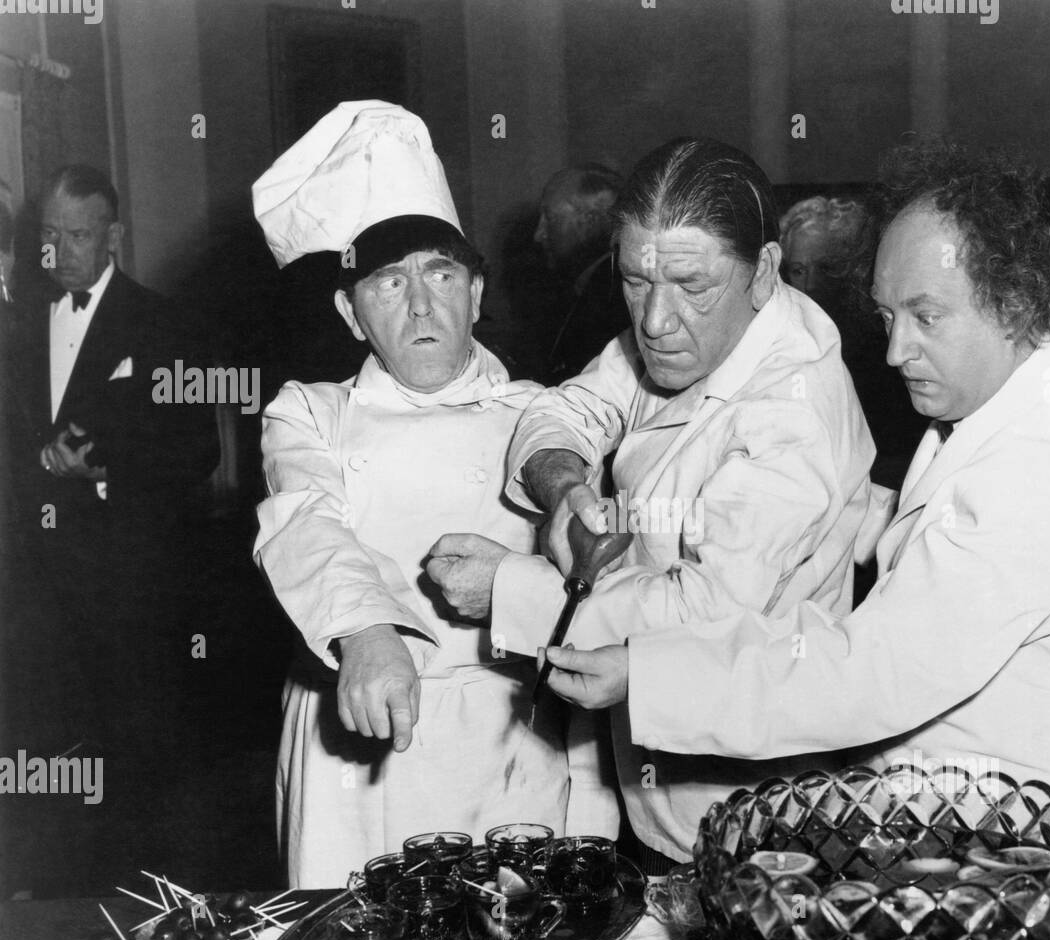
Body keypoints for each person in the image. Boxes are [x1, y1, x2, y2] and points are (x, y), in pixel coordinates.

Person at [542, 141, 1050, 830]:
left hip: (1033, 850)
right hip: (967, 825)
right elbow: (935, 541)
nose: (895, 352)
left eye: (926, 317)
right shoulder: (993, 416)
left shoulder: (1036, 476)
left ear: (1012, 305)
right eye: (888, 317)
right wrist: (848, 505)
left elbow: (868, 675)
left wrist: (650, 677)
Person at [426, 137, 880, 870]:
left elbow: (704, 611)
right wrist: (563, 484)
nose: (656, 321)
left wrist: (509, 588)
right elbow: (566, 411)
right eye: (635, 281)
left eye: (690, 285)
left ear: (763, 273)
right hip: (652, 778)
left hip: (757, 804)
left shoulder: (794, 411)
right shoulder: (687, 331)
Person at [252, 102, 571, 887]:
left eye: (441, 273)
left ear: (476, 289)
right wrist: (364, 630)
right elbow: (303, 521)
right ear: (350, 313)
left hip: (512, 736)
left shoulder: (549, 416)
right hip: (353, 740)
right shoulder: (308, 411)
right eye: (389, 283)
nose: (421, 305)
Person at [6, 165, 218, 761]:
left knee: (137, 753)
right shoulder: (18, 325)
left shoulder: (165, 325)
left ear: (114, 236)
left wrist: (101, 473)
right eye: (50, 233)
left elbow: (200, 451)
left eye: (78, 235)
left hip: (129, 590)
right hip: (36, 593)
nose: (59, 250)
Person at [781, 192, 926, 496]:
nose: (809, 286)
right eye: (798, 270)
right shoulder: (781, 338)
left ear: (850, 270)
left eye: (824, 269)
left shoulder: (884, 345)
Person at [534, 164, 630, 384]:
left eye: (549, 218)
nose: (538, 235)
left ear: (591, 221)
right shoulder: (592, 286)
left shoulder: (613, 295)